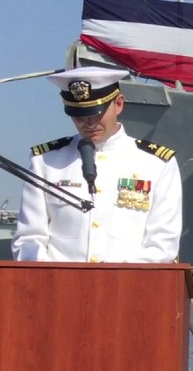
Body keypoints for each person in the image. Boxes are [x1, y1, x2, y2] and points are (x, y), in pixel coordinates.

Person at [12, 66, 183, 263]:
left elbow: (162, 244)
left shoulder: (156, 164)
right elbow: (29, 239)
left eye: (96, 113)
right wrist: (54, 279)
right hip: (57, 289)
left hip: (128, 289)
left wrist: (112, 279)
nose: (88, 123)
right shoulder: (46, 162)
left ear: (119, 104)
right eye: (79, 115)